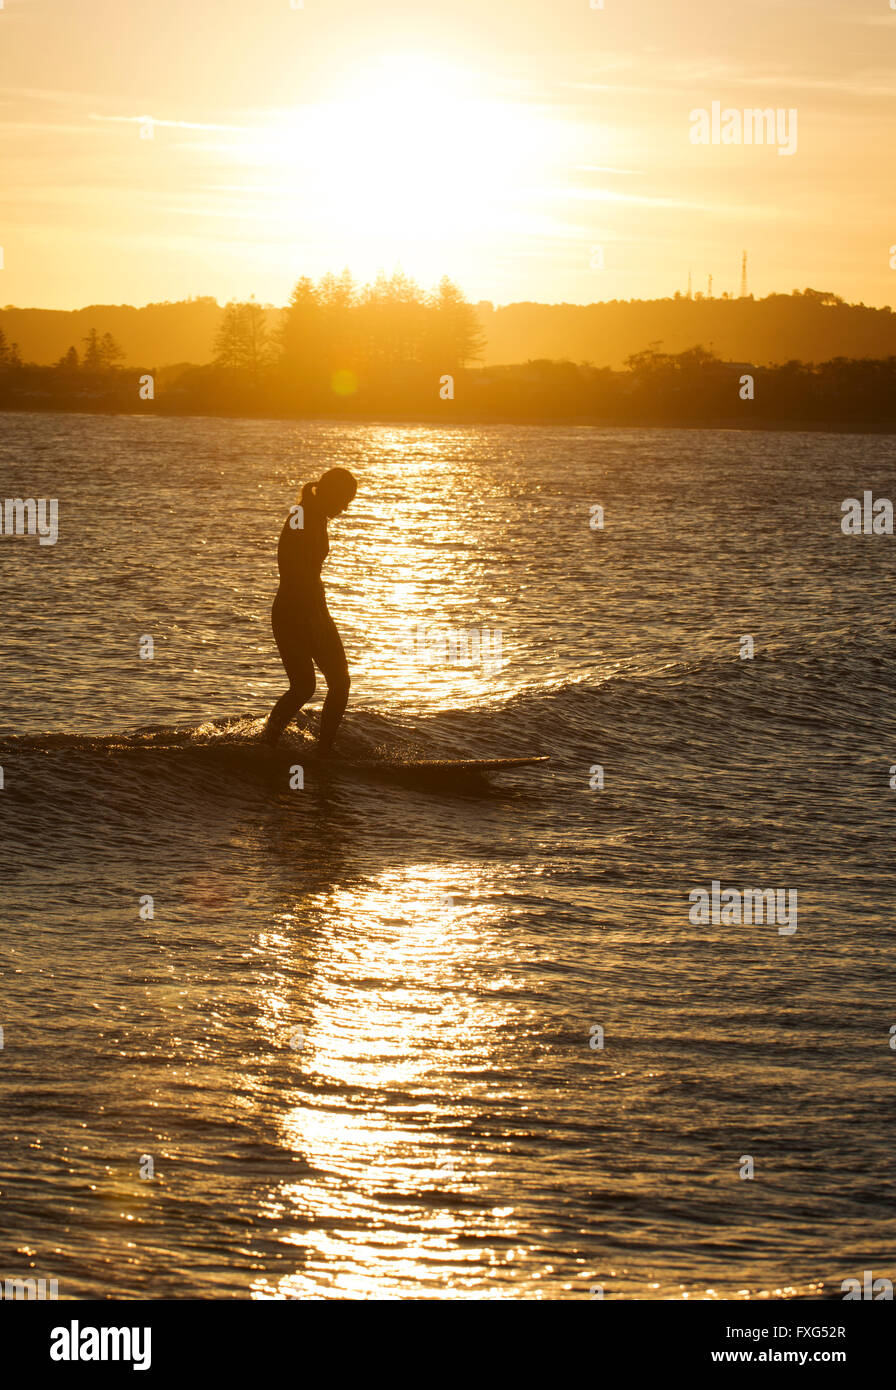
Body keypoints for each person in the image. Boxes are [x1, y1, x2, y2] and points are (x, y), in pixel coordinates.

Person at [263, 467, 358, 753]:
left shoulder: (315, 515)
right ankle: (271, 744)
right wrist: (311, 615)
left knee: (330, 683)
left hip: (311, 608)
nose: (345, 508)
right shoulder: (302, 517)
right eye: (344, 500)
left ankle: (318, 748)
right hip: (295, 610)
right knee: (311, 685)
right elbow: (292, 570)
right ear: (330, 492)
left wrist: (318, 611)